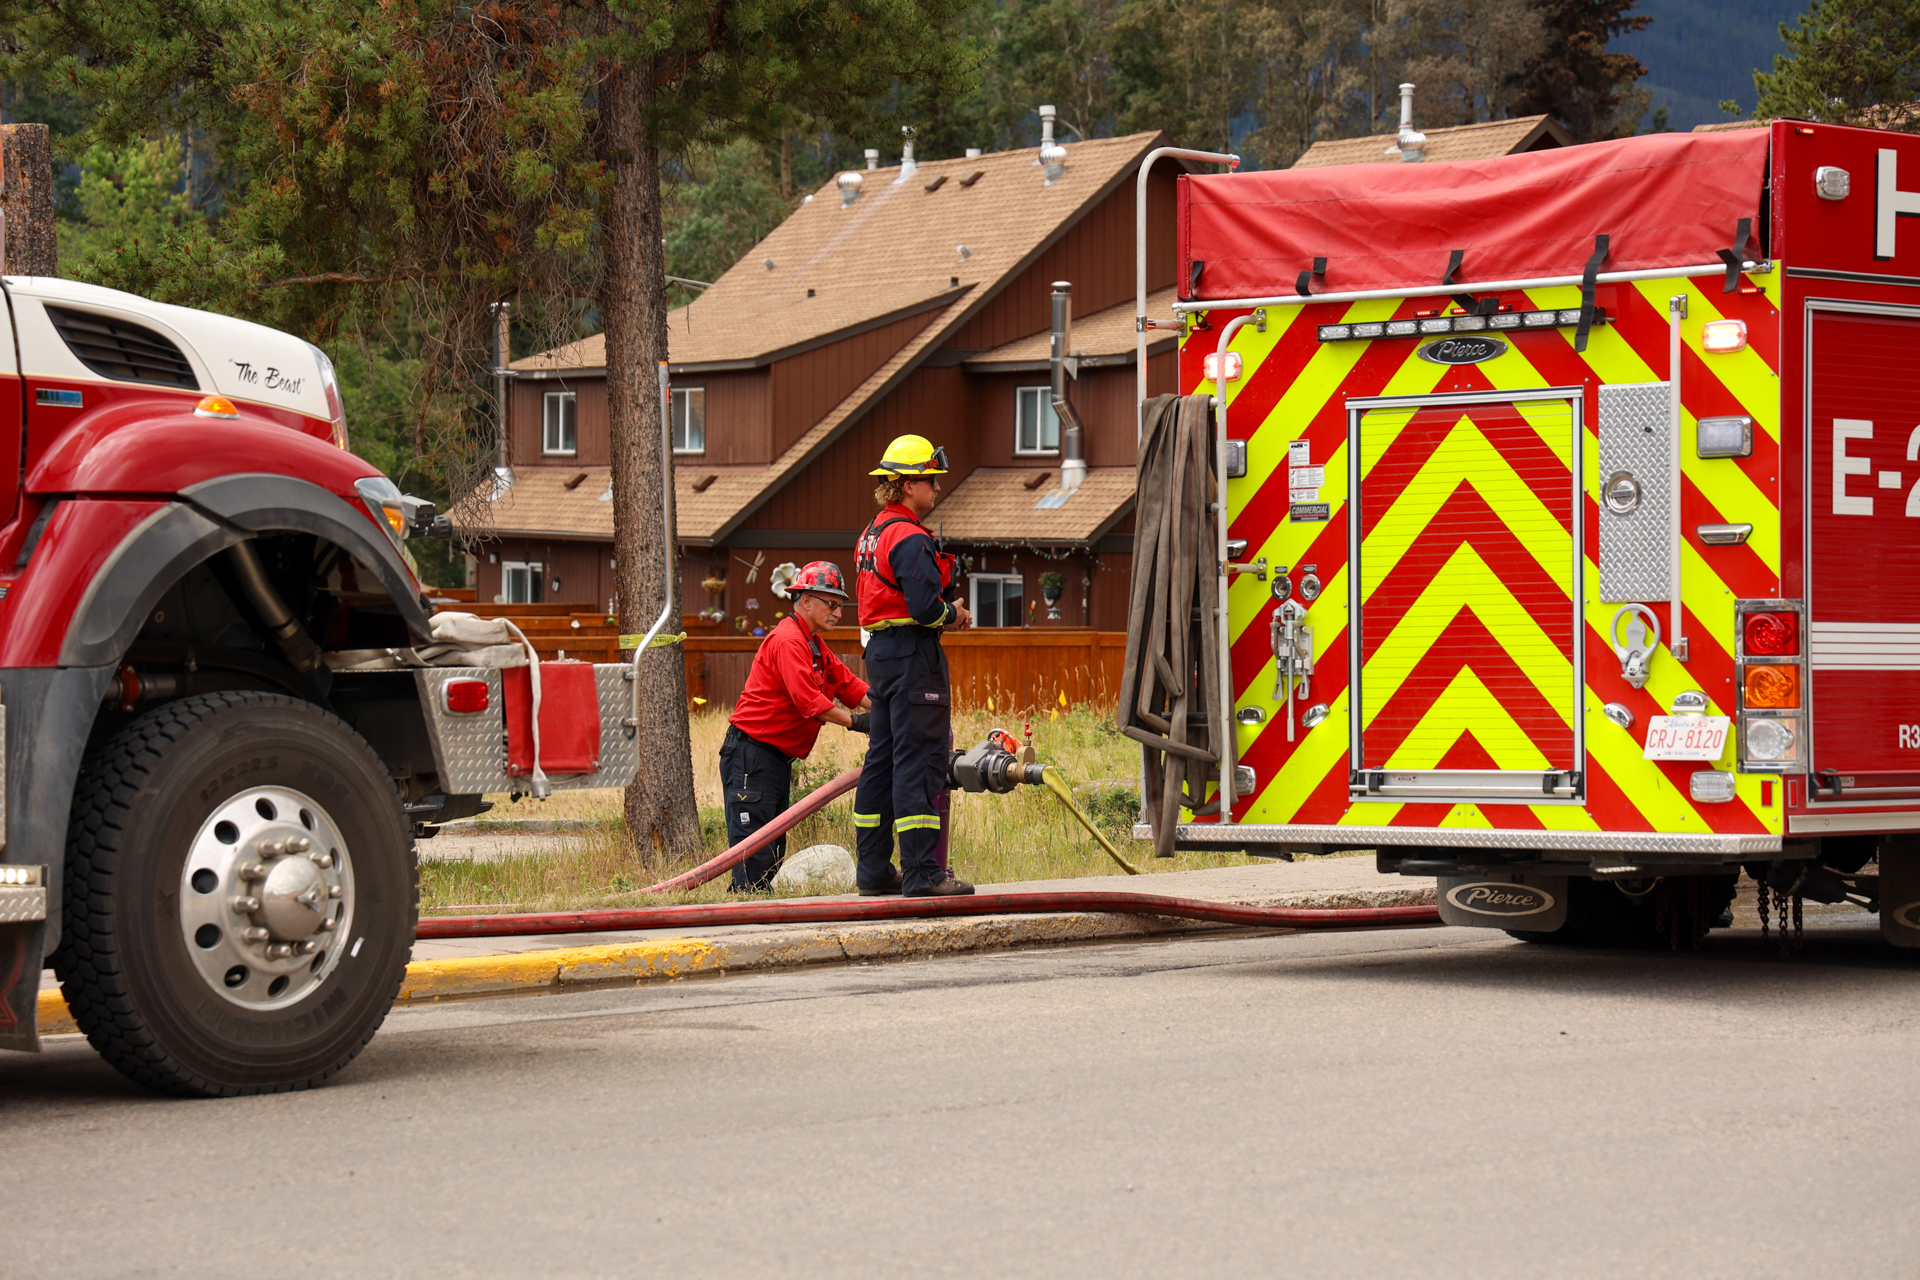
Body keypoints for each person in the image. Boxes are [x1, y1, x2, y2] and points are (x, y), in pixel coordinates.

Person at [852, 435, 976, 898]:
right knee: (919, 761)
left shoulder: (872, 533)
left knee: (880, 761)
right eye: (931, 480)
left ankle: (873, 870)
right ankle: (923, 873)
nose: (937, 489)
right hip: (912, 658)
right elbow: (925, 609)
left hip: (881, 658)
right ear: (907, 486)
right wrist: (956, 615)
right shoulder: (909, 536)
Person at [721, 562, 872, 891]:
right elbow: (808, 702)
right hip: (752, 756)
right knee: (753, 857)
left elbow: (849, 685)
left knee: (771, 854)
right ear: (805, 601)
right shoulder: (790, 642)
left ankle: (756, 917)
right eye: (830, 604)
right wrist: (858, 722)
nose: (837, 612)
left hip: (770, 759)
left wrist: (890, 709)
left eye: (840, 605)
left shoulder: (814, 645)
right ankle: (742, 916)